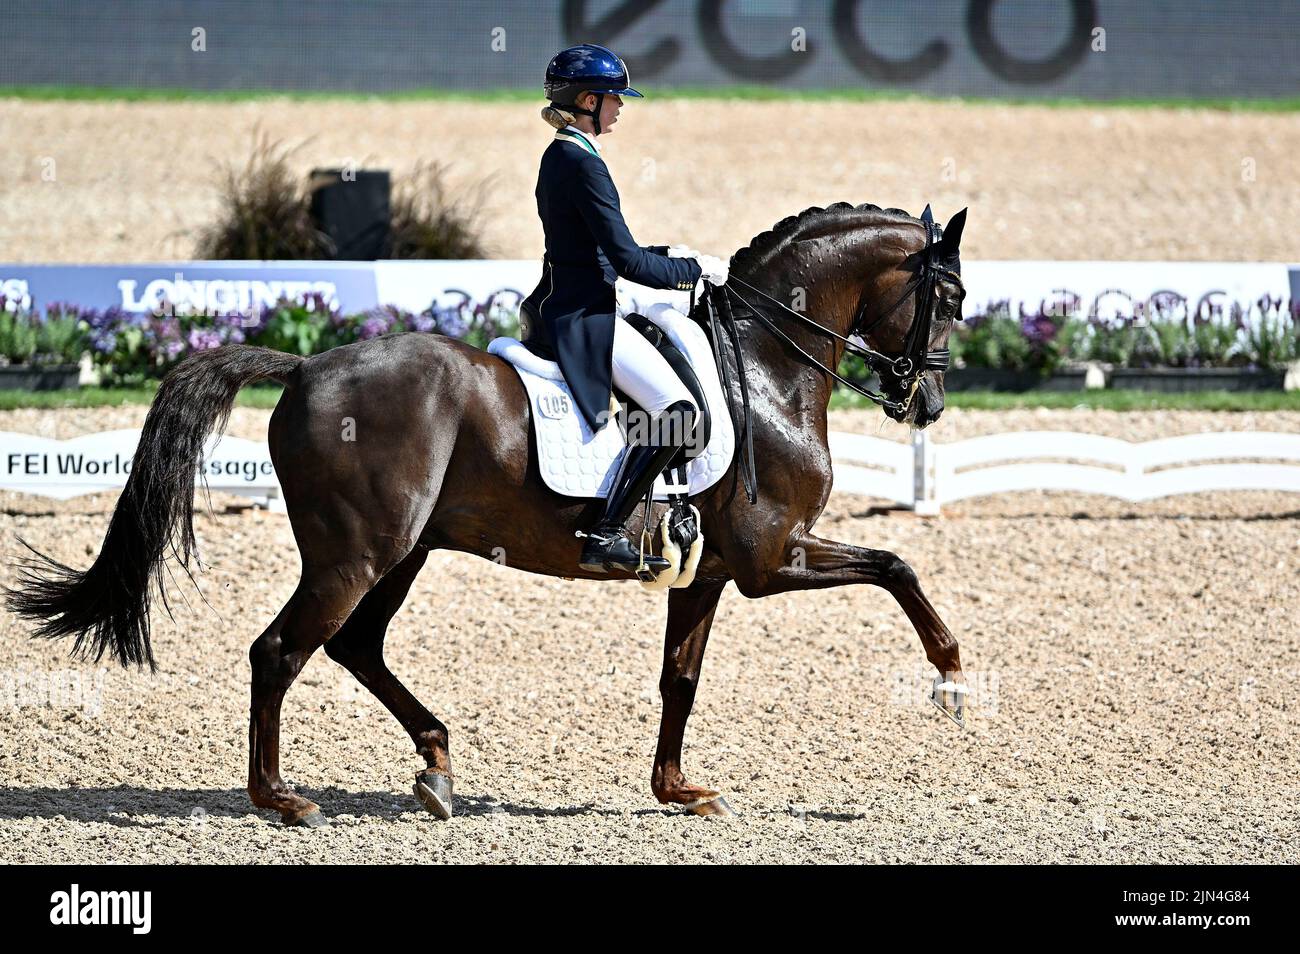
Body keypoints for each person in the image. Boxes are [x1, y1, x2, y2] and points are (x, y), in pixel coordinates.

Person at [520, 43, 728, 577]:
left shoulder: (564, 153)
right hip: (584, 315)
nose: (620, 107)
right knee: (679, 413)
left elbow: (601, 249)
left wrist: (667, 256)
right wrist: (695, 270)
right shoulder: (581, 163)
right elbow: (627, 262)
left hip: (561, 299)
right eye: (613, 98)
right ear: (587, 100)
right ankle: (605, 531)